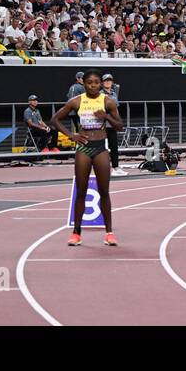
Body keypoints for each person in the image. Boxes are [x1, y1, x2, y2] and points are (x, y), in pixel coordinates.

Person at [51, 69, 123, 246]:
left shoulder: (107, 101)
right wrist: (72, 135)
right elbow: (55, 119)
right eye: (89, 82)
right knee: (81, 192)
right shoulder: (76, 101)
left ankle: (109, 233)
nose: (93, 85)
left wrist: (105, 116)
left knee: (104, 191)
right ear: (83, 83)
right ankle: (76, 233)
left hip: (100, 148)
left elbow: (120, 126)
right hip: (83, 147)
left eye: (96, 82)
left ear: (101, 84)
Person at [101, 72, 126, 176]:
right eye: (106, 80)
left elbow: (116, 109)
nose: (108, 82)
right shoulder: (100, 94)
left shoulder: (114, 94)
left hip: (112, 125)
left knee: (114, 147)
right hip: (103, 125)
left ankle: (115, 167)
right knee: (102, 148)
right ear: (102, 83)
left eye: (109, 80)